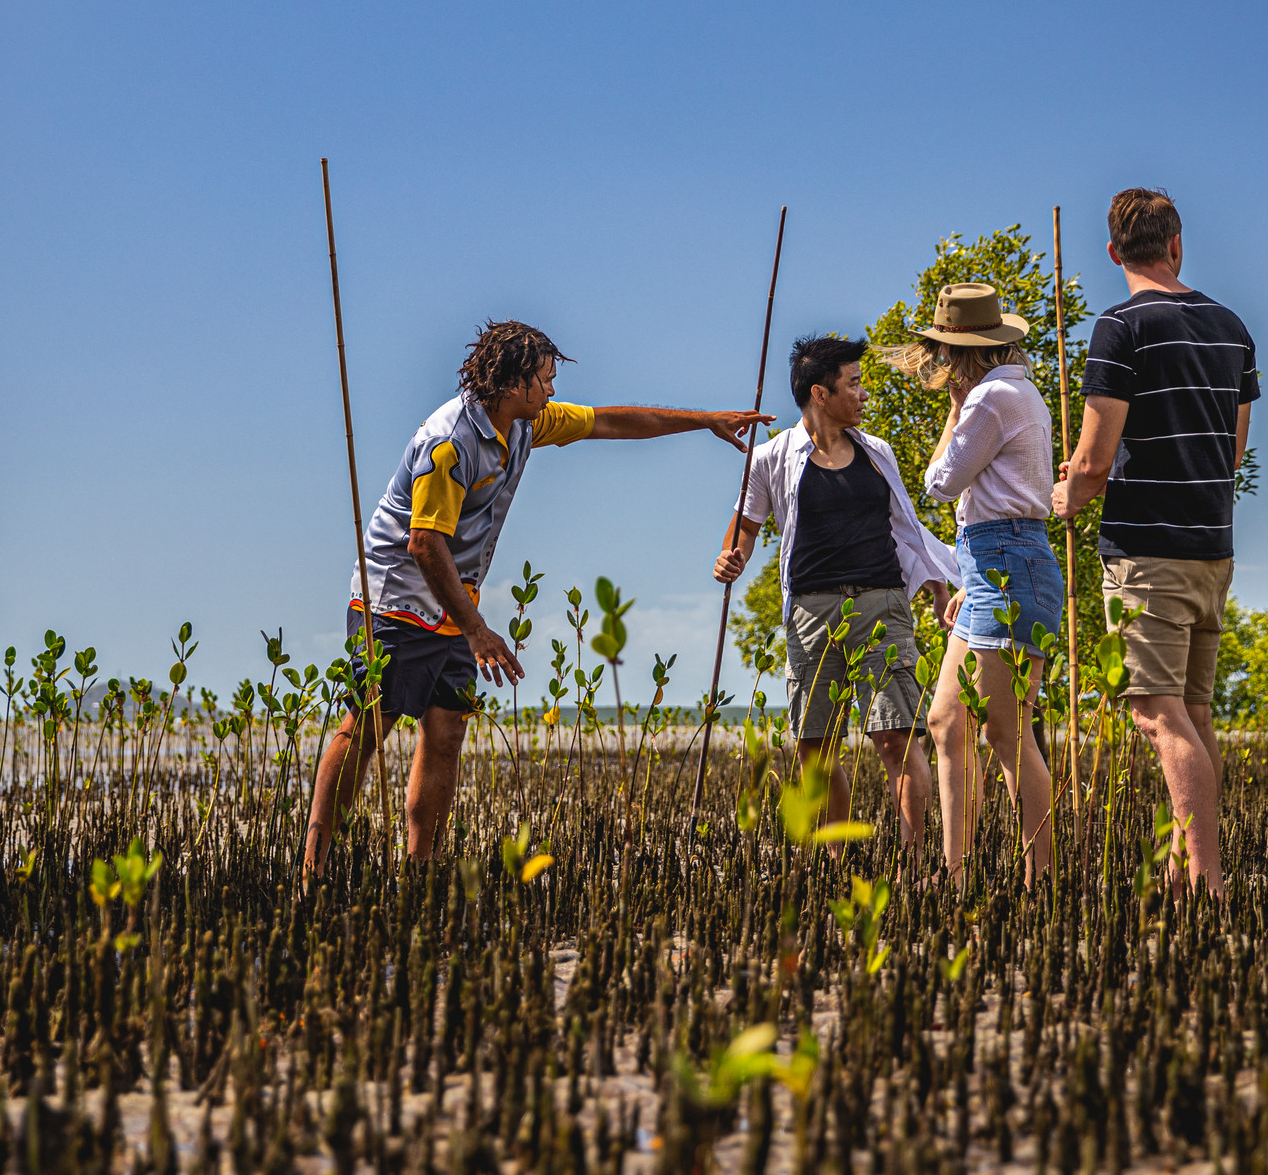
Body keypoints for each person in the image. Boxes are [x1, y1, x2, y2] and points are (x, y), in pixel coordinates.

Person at [303, 320, 770, 874]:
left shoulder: (528, 423)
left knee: (448, 731)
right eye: (545, 380)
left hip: (455, 599)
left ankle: (419, 868)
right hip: (396, 599)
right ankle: (313, 867)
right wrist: (477, 629)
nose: (552, 390)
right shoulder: (449, 442)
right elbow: (424, 544)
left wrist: (705, 423)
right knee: (367, 727)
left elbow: (614, 423)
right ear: (511, 383)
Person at [1052, 189, 1255, 899]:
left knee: (1156, 715)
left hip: (1147, 549)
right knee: (1193, 718)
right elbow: (1231, 454)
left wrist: (1069, 491)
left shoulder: (1119, 328)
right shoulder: (1231, 328)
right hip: (1212, 546)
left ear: (1113, 253)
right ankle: (1178, 875)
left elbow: (1096, 458)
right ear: (1176, 244)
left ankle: (1205, 881)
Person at [715, 335, 956, 850]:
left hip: (882, 605)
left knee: (896, 738)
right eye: (854, 384)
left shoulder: (877, 454)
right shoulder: (769, 459)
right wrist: (730, 555)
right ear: (820, 394)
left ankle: (913, 869)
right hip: (810, 611)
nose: (864, 394)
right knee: (816, 749)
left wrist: (937, 588)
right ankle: (835, 863)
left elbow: (907, 530)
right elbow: (747, 525)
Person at [890, 284, 1062, 889]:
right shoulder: (1020, 392)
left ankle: (1040, 882)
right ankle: (957, 875)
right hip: (998, 563)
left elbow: (940, 481)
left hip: (1009, 564)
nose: (936, 363)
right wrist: (972, 576)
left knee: (1007, 733)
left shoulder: (989, 398)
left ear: (960, 351)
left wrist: (955, 407)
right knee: (946, 722)